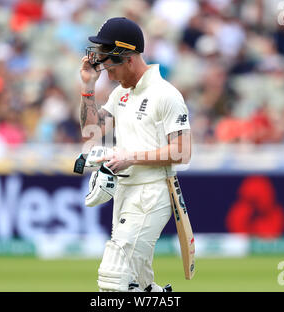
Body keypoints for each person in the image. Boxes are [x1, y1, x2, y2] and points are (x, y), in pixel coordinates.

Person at [79, 17, 191, 292]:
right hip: (125, 191)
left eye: (108, 62)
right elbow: (92, 131)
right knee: (137, 285)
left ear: (128, 58)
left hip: (153, 192)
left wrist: (131, 157)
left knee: (113, 276)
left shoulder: (166, 94)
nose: (104, 69)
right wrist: (88, 87)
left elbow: (182, 150)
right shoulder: (121, 94)